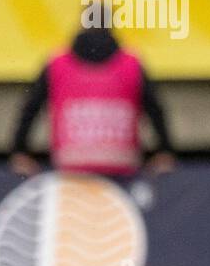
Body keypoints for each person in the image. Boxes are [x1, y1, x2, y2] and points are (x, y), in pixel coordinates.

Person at [10, 27, 176, 179]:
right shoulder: (132, 62)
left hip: (71, 166)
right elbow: (154, 108)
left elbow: (31, 107)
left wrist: (19, 151)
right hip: (121, 167)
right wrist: (165, 150)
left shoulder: (56, 63)